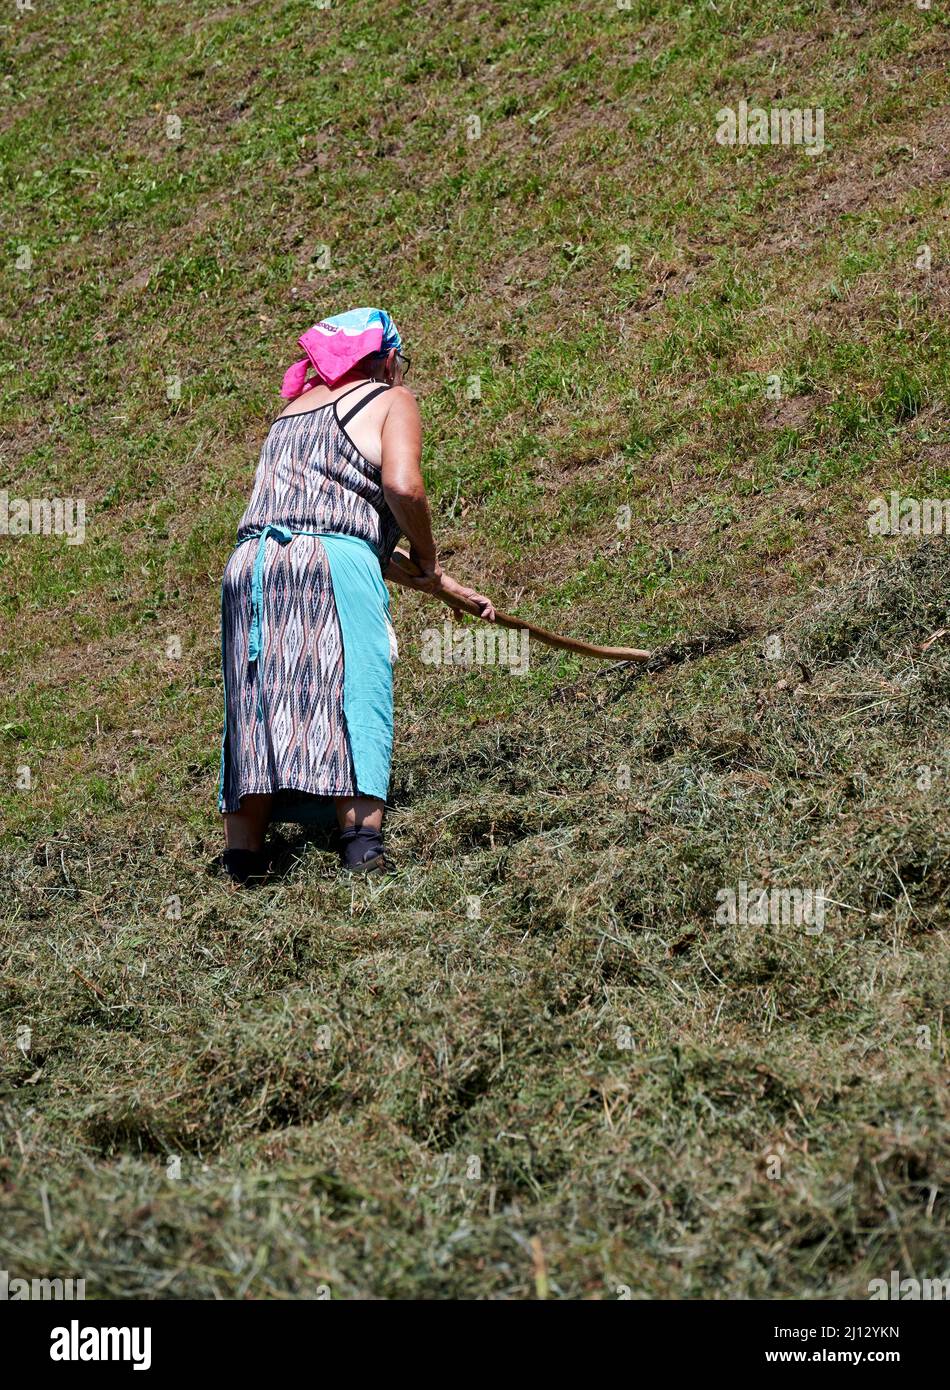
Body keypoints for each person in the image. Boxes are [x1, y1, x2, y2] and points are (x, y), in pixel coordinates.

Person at [217, 308, 495, 882]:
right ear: (386, 357)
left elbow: (323, 521)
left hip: (252, 568)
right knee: (354, 688)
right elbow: (401, 486)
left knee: (258, 702)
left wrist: (441, 585)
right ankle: (362, 846)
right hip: (332, 566)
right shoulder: (392, 400)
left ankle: (243, 860)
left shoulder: (290, 412)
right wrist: (429, 554)